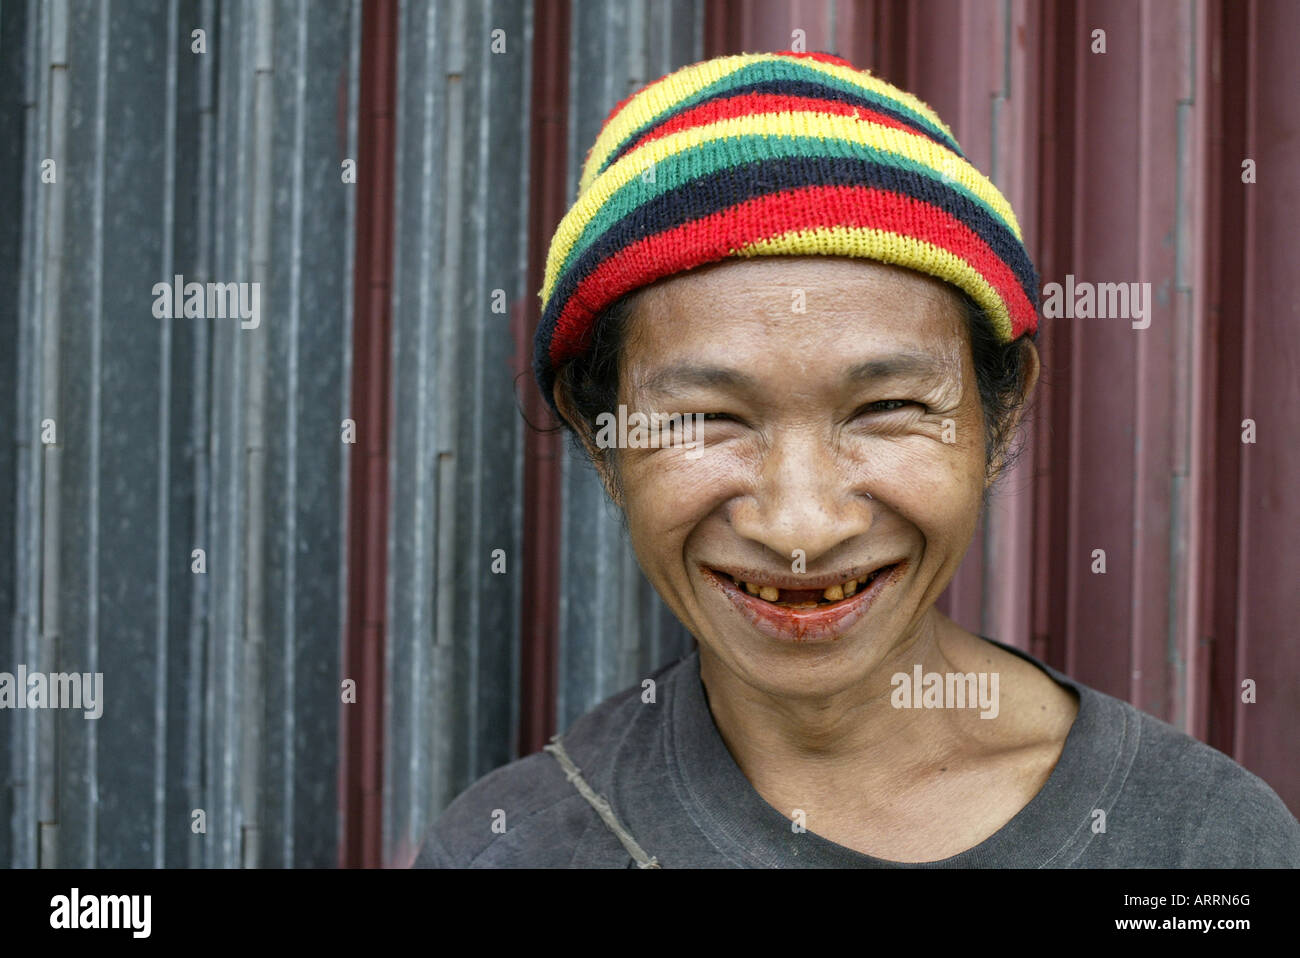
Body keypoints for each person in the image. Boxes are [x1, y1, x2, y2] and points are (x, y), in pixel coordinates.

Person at [414, 50, 1299, 867]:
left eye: (887, 409)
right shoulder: (513, 847)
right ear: (600, 432)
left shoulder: (1202, 844)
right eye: (708, 416)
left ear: (1001, 412)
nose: (803, 524)